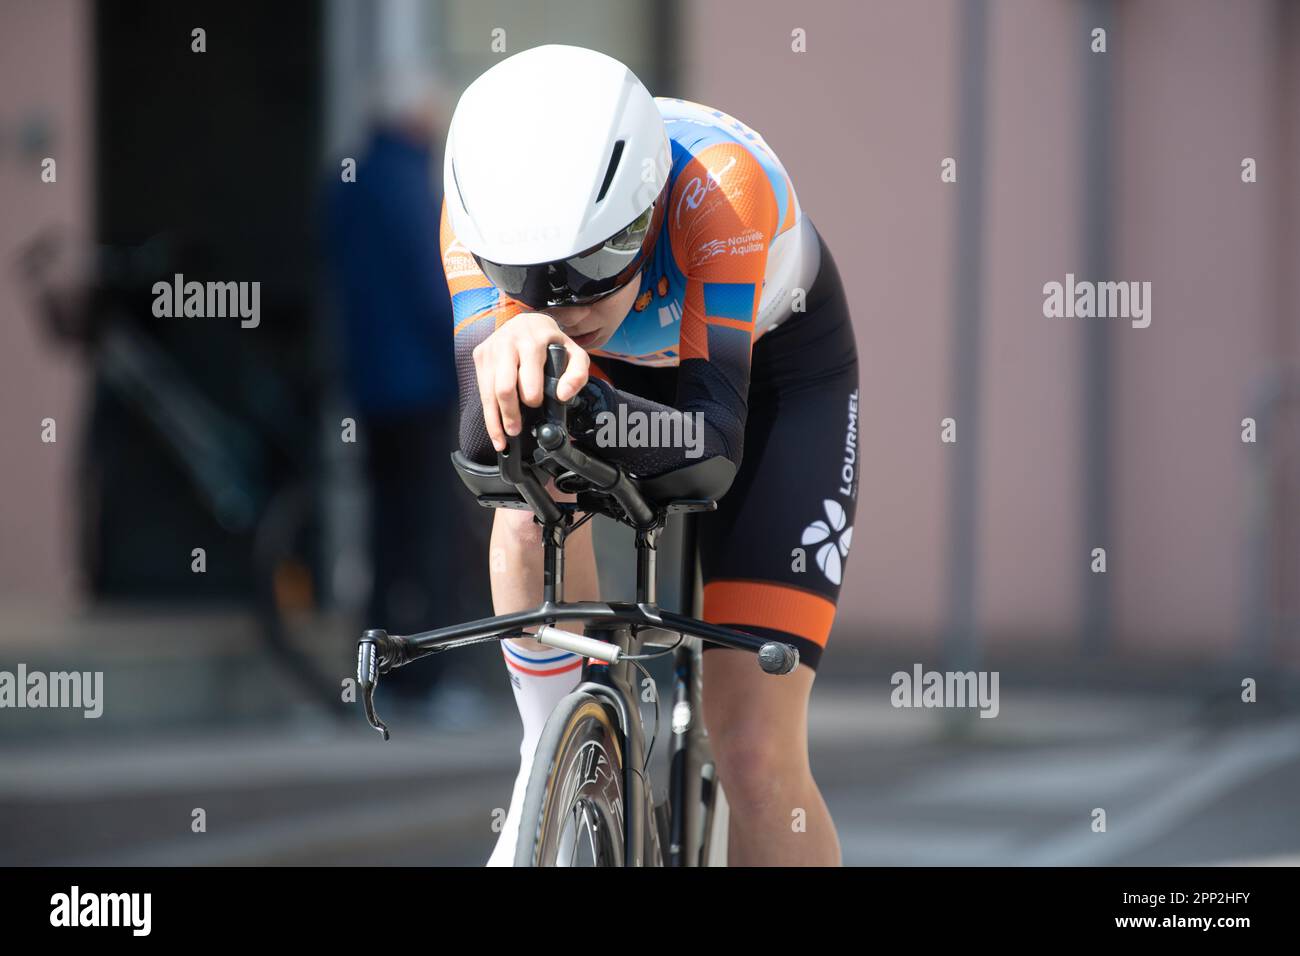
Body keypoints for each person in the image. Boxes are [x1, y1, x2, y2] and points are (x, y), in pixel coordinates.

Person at [441, 45, 858, 865]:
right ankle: (554, 762)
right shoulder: (470, 206)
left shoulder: (722, 190)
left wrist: (573, 391)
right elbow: (478, 453)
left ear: (644, 211)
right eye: (522, 279)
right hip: (611, 386)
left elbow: (708, 453)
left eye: (595, 268)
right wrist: (520, 362)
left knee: (755, 757)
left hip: (765, 378)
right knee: (524, 505)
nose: (565, 303)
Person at [326, 74, 489, 714]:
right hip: (422, 384)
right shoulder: (408, 184)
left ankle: (374, 682)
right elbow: (434, 289)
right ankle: (430, 683)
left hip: (370, 386)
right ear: (420, 117)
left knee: (386, 537)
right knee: (432, 536)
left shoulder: (347, 181)